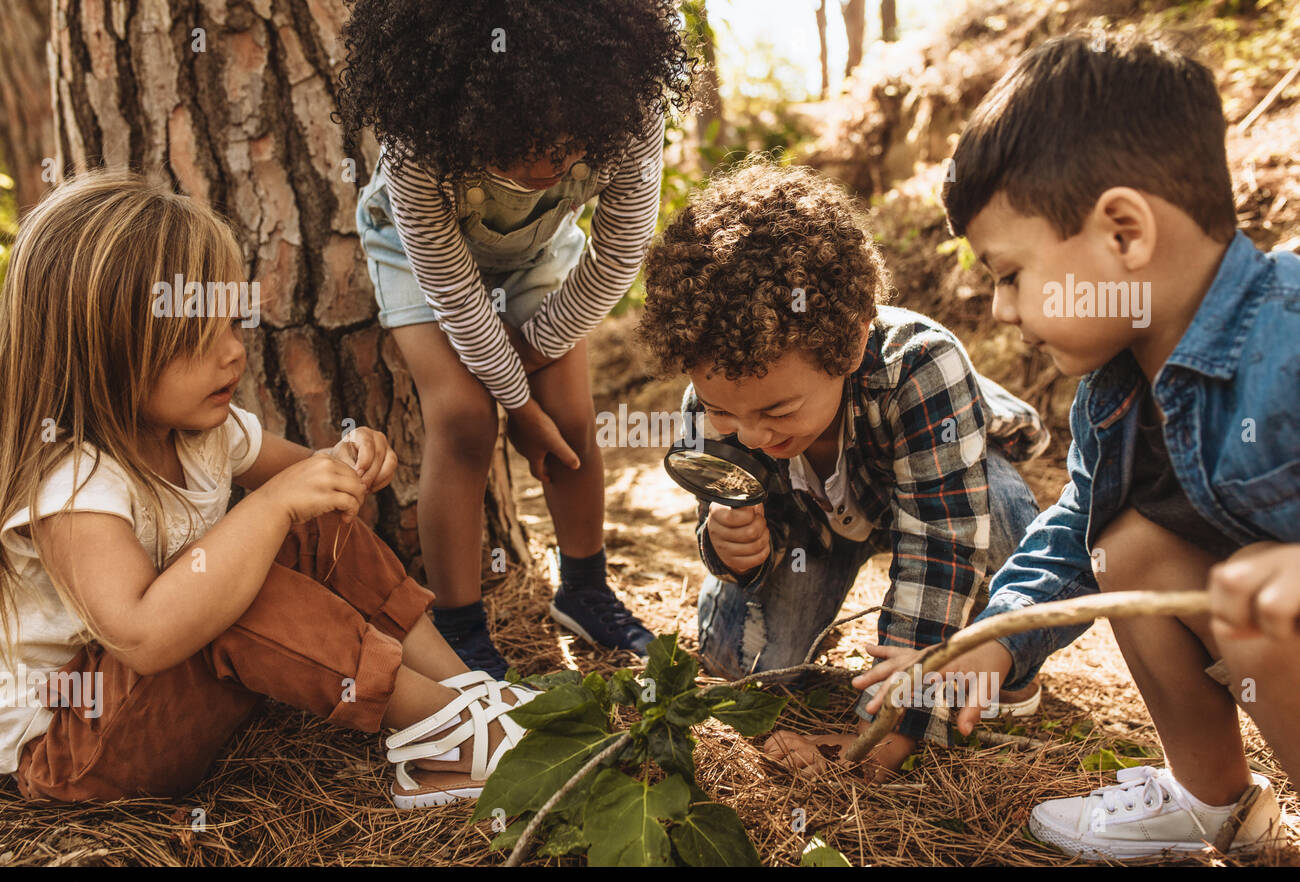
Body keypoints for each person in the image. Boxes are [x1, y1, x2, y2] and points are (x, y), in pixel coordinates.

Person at [861, 31, 1296, 858]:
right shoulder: (1112, 395)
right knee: (1128, 546)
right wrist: (994, 638)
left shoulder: (1289, 334)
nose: (999, 310)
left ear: (1123, 234)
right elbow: (1069, 532)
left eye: (1010, 272)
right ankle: (1211, 802)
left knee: (1260, 604)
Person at [1, 171, 535, 809]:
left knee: (309, 522)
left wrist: (347, 459)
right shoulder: (74, 484)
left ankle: (465, 691)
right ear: (102, 353)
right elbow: (144, 636)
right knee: (241, 583)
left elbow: (308, 477)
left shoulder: (203, 431)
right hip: (75, 748)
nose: (233, 354)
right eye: (197, 338)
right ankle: (445, 734)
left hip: (154, 704)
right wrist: (273, 505)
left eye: (232, 324)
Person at [636, 159, 1049, 782]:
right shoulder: (715, 406)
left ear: (851, 343)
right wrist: (733, 550)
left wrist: (895, 719)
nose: (750, 434)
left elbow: (940, 542)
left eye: (778, 409)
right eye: (724, 410)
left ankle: (1003, 659)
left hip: (933, 488)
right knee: (735, 659)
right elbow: (719, 514)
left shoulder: (921, 366)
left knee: (1008, 518)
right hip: (813, 530)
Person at [336, 0, 697, 674]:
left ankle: (586, 591)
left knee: (572, 418)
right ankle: (460, 626)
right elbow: (451, 290)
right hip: (421, 257)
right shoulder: (420, 138)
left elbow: (617, 256)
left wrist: (533, 362)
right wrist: (515, 405)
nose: (545, 167)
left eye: (565, 148)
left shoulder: (631, 109)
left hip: (536, 254)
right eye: (519, 146)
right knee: (466, 417)